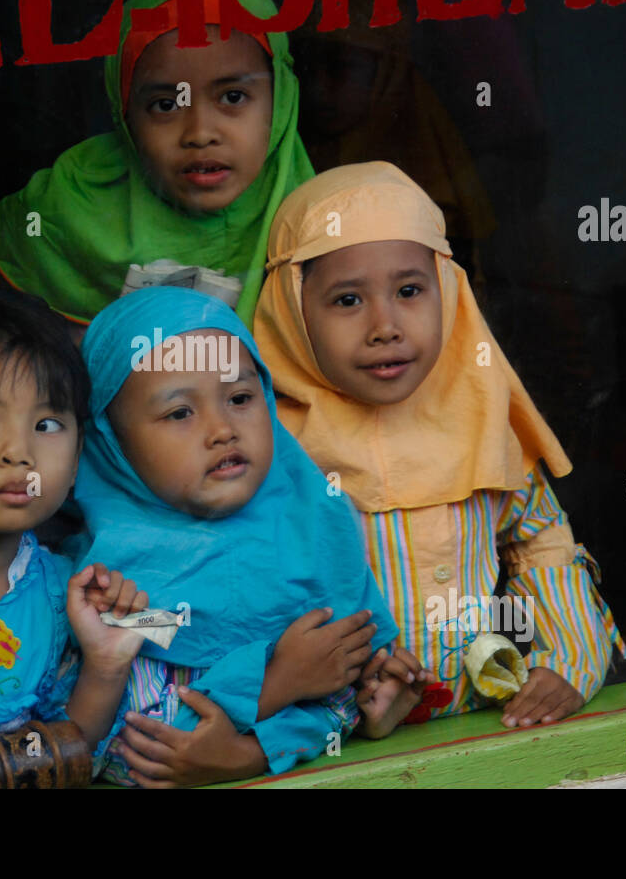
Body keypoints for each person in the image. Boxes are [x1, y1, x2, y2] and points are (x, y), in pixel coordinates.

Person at [254, 162, 626, 734]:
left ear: (449, 294)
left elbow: (542, 542)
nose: (386, 325)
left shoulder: (479, 419)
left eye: (409, 291)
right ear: (291, 310)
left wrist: (569, 662)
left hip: (485, 726)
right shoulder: (266, 448)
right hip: (329, 743)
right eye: (347, 300)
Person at [68, 286, 407, 788]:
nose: (222, 429)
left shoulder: (311, 537)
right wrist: (275, 687)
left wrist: (374, 699)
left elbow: (339, 702)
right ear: (111, 442)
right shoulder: (112, 589)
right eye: (180, 413)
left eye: (241, 398)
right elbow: (138, 752)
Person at [0, 0, 314, 329]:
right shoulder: (63, 212)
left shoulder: (319, 227)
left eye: (232, 97)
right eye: (165, 105)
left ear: (281, 103)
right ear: (125, 116)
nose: (199, 133)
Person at [0, 287, 147, 756]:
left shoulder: (65, 597)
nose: (19, 453)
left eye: (47, 425)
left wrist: (104, 665)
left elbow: (66, 759)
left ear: (79, 454)